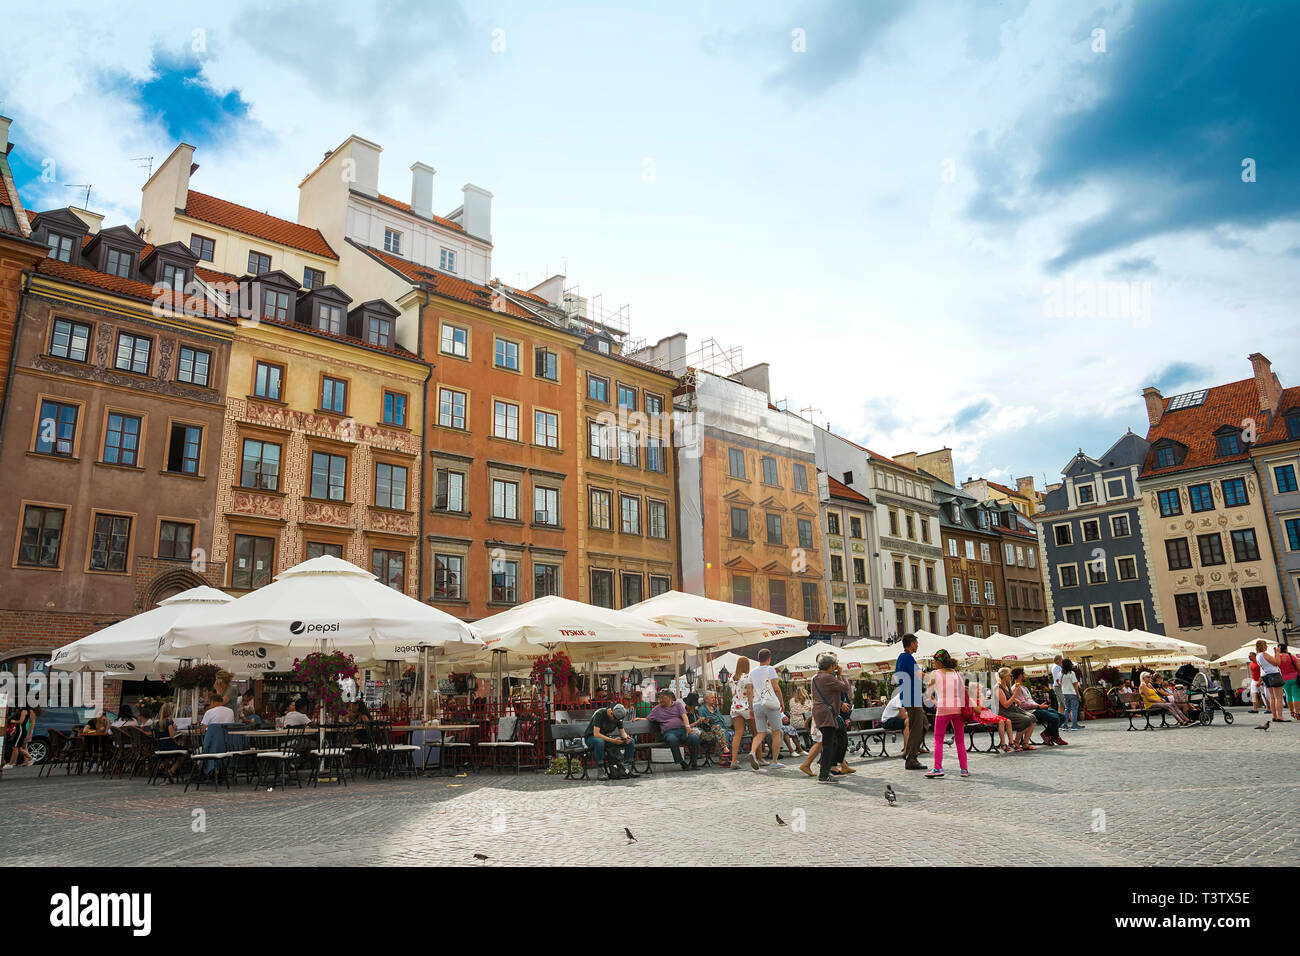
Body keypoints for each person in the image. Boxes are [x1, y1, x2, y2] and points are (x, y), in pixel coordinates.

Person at [925, 649, 969, 779]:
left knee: (938, 739)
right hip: (957, 709)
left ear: (939, 662)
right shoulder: (956, 673)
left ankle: (938, 768)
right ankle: (964, 769)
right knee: (960, 740)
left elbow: (928, 693)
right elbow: (963, 691)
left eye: (934, 661)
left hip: (943, 708)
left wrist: (936, 701)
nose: (934, 664)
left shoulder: (935, 673)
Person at [810, 652, 850, 783]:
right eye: (834, 665)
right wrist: (842, 674)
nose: (836, 667)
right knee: (828, 744)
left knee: (831, 742)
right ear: (831, 666)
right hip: (827, 714)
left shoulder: (815, 677)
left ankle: (826, 770)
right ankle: (824, 774)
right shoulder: (828, 677)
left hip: (820, 713)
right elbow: (845, 687)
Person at [747, 648, 785, 770]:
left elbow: (749, 691)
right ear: (769, 658)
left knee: (761, 733)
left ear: (758, 658)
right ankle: (774, 761)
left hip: (757, 704)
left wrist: (751, 707)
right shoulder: (770, 669)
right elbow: (776, 687)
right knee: (776, 732)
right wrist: (781, 702)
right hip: (770, 703)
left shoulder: (752, 672)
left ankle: (752, 752)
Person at [1011, 669, 1067, 745]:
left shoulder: (1023, 687)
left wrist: (1040, 705)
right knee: (1055, 718)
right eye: (1024, 674)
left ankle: (1048, 734)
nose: (1025, 676)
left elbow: (1029, 701)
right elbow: (1023, 705)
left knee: (1062, 717)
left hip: (1035, 708)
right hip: (1030, 711)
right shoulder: (1016, 688)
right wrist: (1039, 706)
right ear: (1021, 675)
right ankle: (1054, 736)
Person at [895, 634, 925, 770]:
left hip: (910, 696)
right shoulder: (907, 657)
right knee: (917, 726)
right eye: (916, 643)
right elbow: (918, 674)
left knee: (923, 724)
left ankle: (911, 750)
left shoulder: (902, 658)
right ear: (911, 644)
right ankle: (911, 759)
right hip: (911, 697)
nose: (917, 645)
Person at [649, 690, 700, 770]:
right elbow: (648, 718)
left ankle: (694, 763)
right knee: (672, 739)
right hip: (669, 732)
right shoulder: (657, 709)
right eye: (659, 698)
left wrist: (687, 727)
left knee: (694, 738)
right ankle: (681, 762)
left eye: (662, 698)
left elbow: (684, 716)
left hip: (682, 730)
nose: (660, 700)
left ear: (669, 698)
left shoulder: (678, 705)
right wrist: (638, 719)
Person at [584, 702, 635, 777]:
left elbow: (622, 732)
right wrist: (613, 741)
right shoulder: (600, 713)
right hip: (592, 738)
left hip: (605, 738)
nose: (616, 722)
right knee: (599, 742)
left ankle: (627, 768)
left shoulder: (618, 717)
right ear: (611, 713)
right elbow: (596, 734)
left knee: (631, 741)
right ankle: (601, 770)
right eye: (615, 719)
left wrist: (625, 738)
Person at [996, 667, 1037, 750]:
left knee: (1033, 717)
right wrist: (1015, 694)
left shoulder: (1007, 685)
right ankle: (1016, 742)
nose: (1011, 677)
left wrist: (1015, 699)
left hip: (1013, 709)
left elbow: (1009, 696)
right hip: (1005, 712)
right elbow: (1006, 705)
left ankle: (1025, 742)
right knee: (1026, 719)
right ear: (1005, 676)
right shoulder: (999, 688)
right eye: (1010, 675)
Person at [684, 692, 728, 761]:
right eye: (693, 705)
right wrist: (697, 721)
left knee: (719, 731)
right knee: (719, 733)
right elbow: (687, 726)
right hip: (694, 734)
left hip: (702, 732)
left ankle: (724, 757)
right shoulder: (684, 714)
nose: (694, 707)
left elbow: (701, 725)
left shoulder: (696, 712)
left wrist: (705, 722)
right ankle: (724, 755)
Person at [728, 657, 754, 770]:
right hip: (746, 707)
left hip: (735, 707)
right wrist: (752, 708)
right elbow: (749, 693)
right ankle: (758, 758)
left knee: (738, 733)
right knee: (756, 733)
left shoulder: (731, 677)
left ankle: (733, 760)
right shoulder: (747, 677)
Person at [696, 691, 734, 763]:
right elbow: (703, 723)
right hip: (709, 731)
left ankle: (725, 758)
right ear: (706, 699)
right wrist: (706, 721)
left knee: (721, 732)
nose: (714, 699)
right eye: (712, 697)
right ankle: (724, 757)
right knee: (719, 730)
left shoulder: (715, 708)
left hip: (720, 730)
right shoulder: (702, 710)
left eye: (714, 697)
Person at [1255, 641, 1289, 722]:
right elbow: (1277, 663)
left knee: (1272, 698)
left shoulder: (1258, 656)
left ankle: (1274, 716)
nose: (1267, 646)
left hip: (1265, 675)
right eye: (1265, 645)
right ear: (1263, 646)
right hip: (1273, 675)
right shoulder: (1264, 654)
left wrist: (1275, 654)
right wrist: (1277, 653)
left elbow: (1270, 662)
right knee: (1279, 697)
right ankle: (1280, 716)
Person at [1059, 658, 1083, 731]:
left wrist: (1063, 689)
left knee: (1067, 709)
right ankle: (1074, 725)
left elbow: (1060, 683)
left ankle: (1065, 725)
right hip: (1072, 693)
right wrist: (1078, 694)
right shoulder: (1071, 673)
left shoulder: (1061, 673)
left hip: (1065, 693)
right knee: (1074, 709)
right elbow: (1075, 684)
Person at [1278, 644, 1300, 720]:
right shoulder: (1292, 657)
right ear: (1286, 649)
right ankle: (1297, 713)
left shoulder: (1277, 658)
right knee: (1296, 695)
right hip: (1294, 678)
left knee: (1288, 695)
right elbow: (1299, 668)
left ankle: (1292, 712)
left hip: (1284, 679)